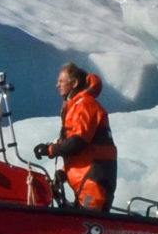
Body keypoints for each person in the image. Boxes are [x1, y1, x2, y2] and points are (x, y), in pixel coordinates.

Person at [32, 63, 117, 210]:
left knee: (87, 226)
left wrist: (50, 150)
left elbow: (78, 142)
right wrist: (64, 173)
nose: (57, 85)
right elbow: (86, 150)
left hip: (94, 181)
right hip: (87, 180)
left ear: (75, 83)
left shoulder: (85, 105)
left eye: (61, 81)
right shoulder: (76, 105)